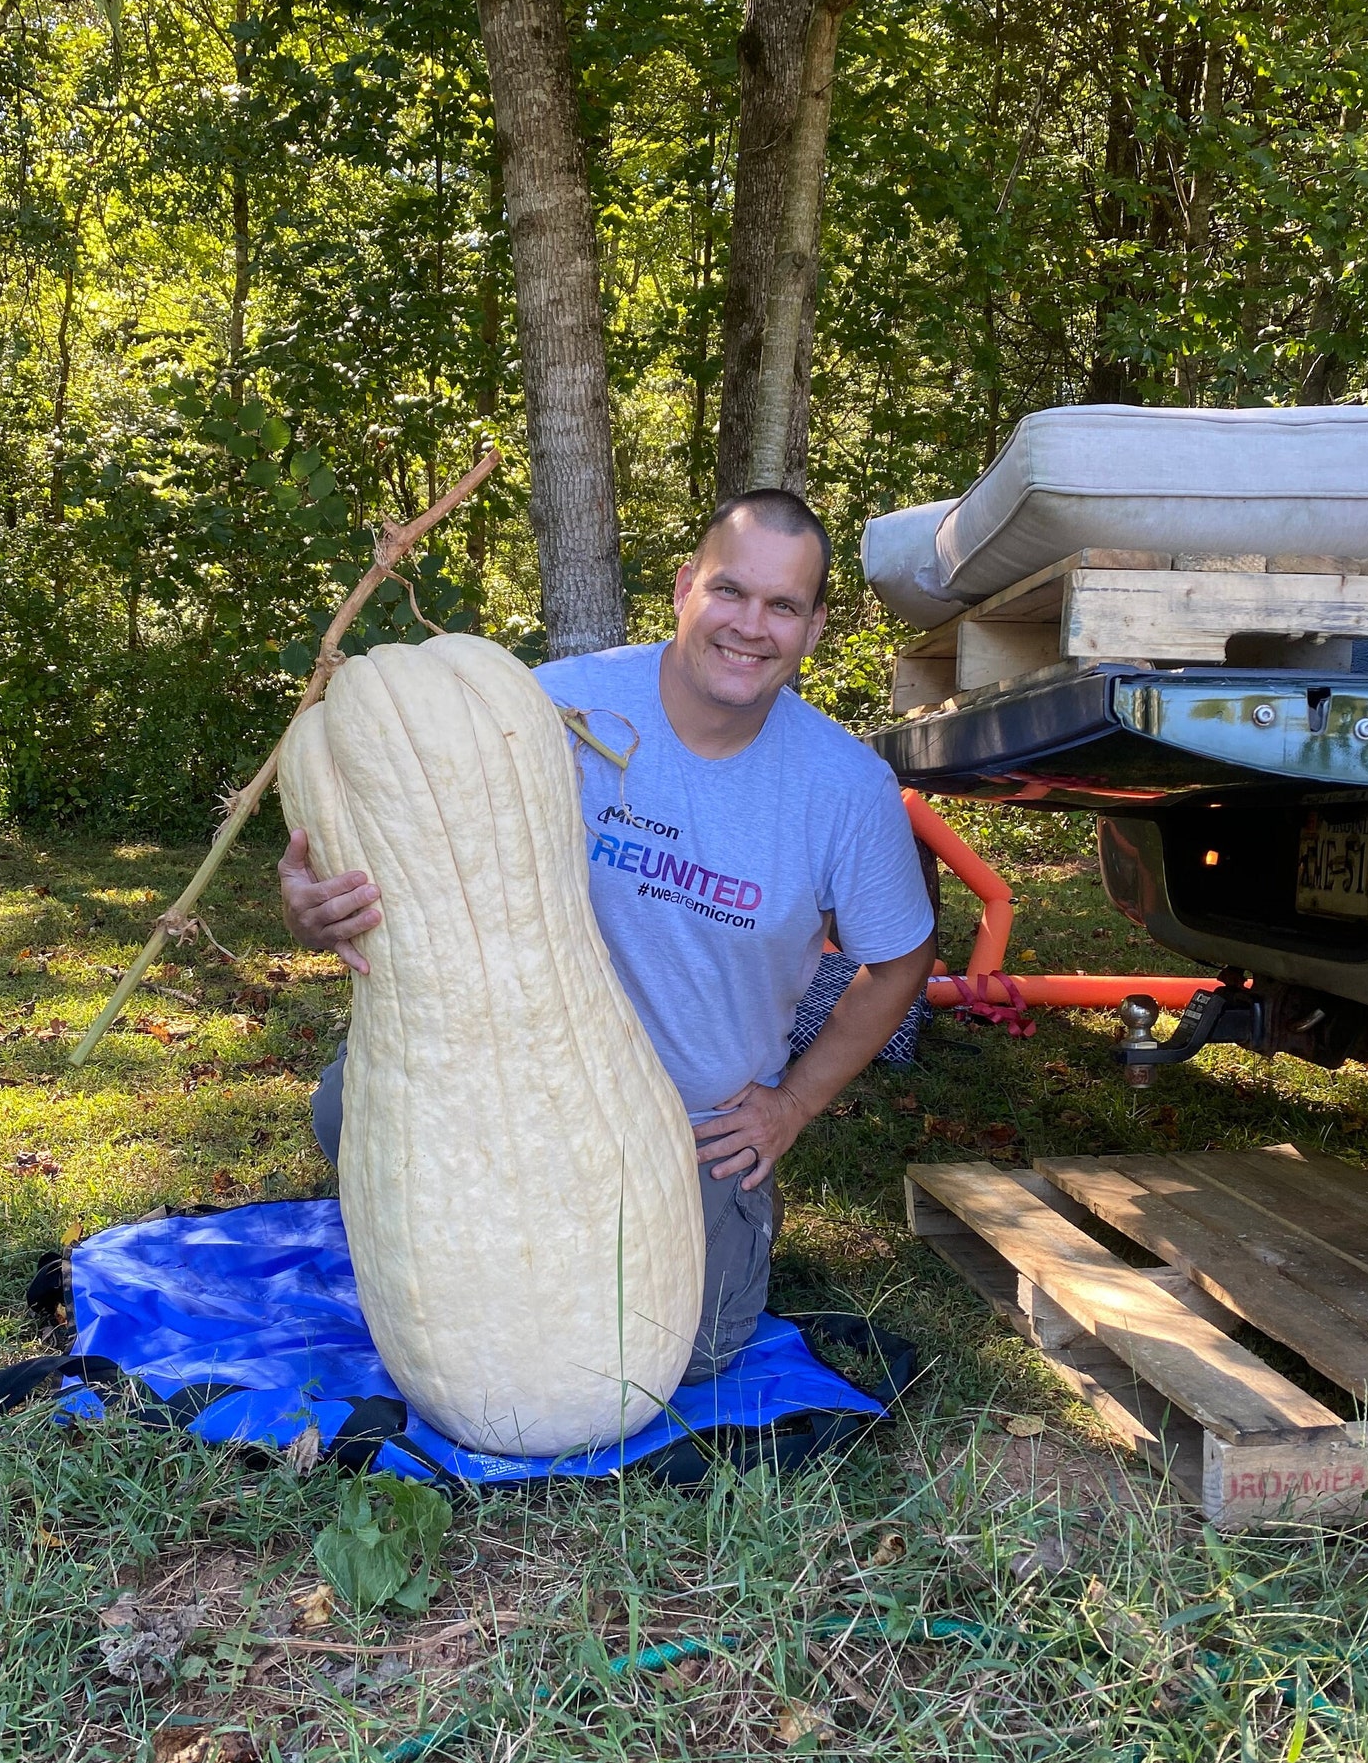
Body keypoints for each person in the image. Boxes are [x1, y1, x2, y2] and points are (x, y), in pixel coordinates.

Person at [278, 488, 937, 1383]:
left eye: (783, 605)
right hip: (508, 1083)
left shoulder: (845, 789)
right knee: (342, 1103)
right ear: (682, 590)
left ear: (814, 627)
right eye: (729, 592)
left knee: (684, 1353)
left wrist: (795, 1102)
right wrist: (311, 902)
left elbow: (900, 961)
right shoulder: (549, 712)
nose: (751, 625)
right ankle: (491, 1245)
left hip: (688, 1128)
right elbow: (409, 856)